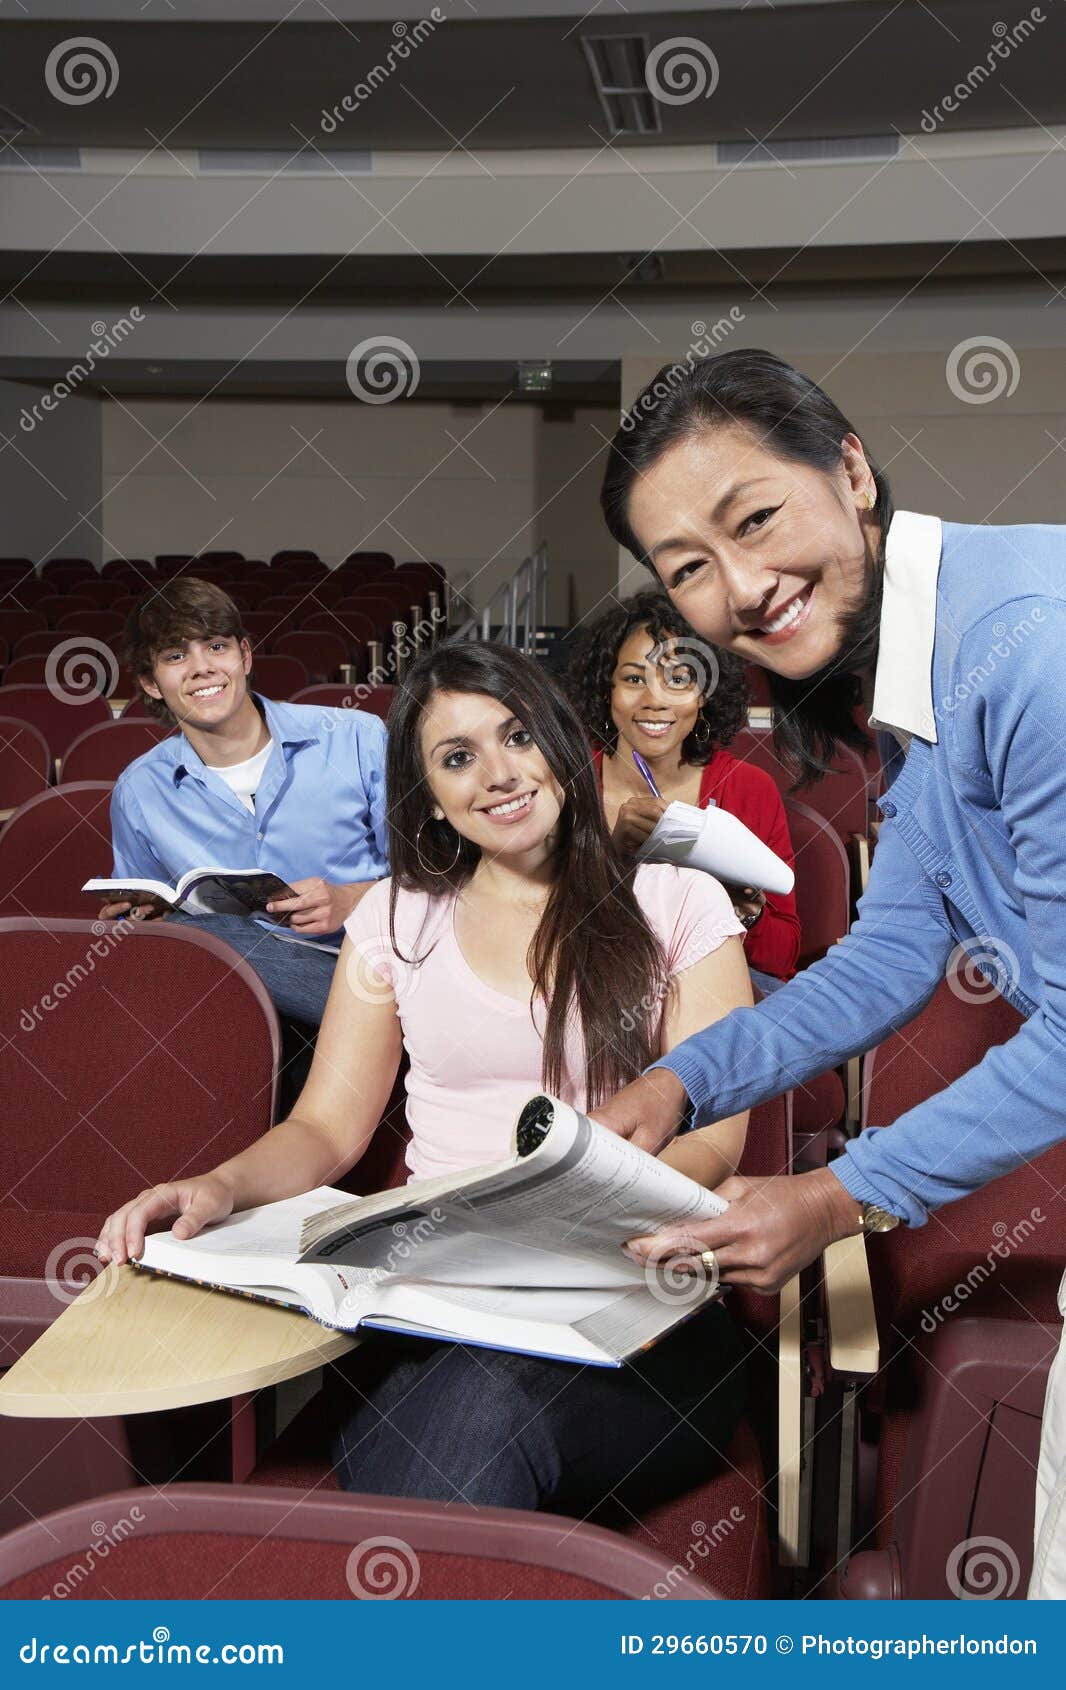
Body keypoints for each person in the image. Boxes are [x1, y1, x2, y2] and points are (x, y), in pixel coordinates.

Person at [591, 346, 1066, 1598]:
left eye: (756, 518)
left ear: (848, 469)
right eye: (689, 567)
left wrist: (838, 1196)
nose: (741, 587)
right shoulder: (927, 662)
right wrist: (686, 1082)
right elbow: (897, 951)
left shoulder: (1021, 650)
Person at [94, 639, 752, 1519]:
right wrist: (218, 1185)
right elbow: (327, 1129)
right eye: (457, 758)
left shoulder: (679, 901)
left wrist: (567, 1223)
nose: (498, 775)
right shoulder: (398, 919)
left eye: (517, 737)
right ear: (432, 799)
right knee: (460, 1418)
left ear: (561, 747)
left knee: (478, 1421)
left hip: (637, 1304)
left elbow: (714, 1136)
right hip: (436, 1305)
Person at [100, 578, 388, 1038]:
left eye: (216, 646)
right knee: (186, 955)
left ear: (245, 656)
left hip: (364, 973)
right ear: (151, 683)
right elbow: (145, 906)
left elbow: (440, 882)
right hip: (229, 1005)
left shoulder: (357, 738)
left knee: (213, 939)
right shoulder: (139, 789)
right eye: (176, 656)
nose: (201, 668)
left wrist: (355, 898)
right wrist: (143, 917)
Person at [568, 587, 800, 993]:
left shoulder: (748, 789)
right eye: (634, 678)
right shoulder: (566, 782)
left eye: (679, 679)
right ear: (607, 691)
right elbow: (540, 931)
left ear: (704, 696)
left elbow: (781, 959)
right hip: (596, 992)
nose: (655, 700)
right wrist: (613, 860)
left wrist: (746, 914)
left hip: (718, 991)